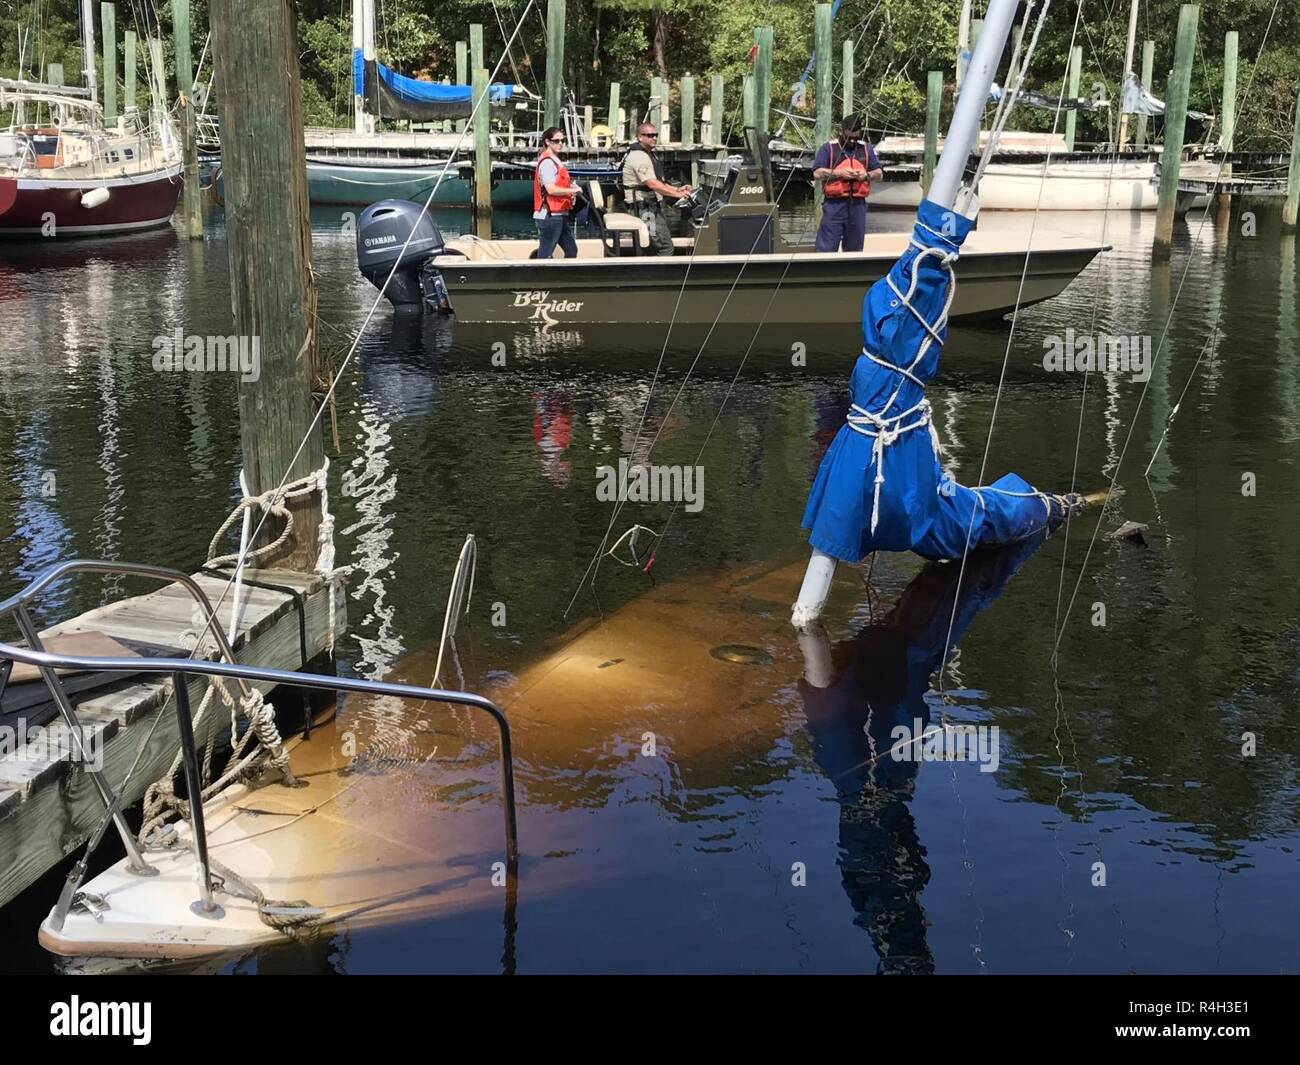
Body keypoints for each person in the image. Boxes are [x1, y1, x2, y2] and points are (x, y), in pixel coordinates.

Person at [812, 114, 883, 253]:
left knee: (855, 249)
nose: (852, 141)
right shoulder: (828, 148)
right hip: (834, 205)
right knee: (826, 248)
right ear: (841, 131)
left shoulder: (866, 149)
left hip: (858, 206)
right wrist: (840, 173)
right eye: (849, 137)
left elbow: (879, 173)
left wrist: (866, 175)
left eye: (856, 138)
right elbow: (817, 173)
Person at [621, 123, 692, 256]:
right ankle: (659, 276)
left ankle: (650, 272)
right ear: (640, 137)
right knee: (664, 247)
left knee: (654, 245)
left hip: (650, 208)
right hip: (644, 210)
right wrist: (677, 195)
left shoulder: (648, 154)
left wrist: (678, 190)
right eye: (649, 135)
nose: (654, 138)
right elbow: (652, 184)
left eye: (655, 135)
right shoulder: (639, 156)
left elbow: (660, 183)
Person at [533, 126, 580, 259]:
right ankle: (538, 277)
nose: (560, 144)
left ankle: (565, 278)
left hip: (560, 214)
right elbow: (551, 189)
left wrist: (570, 188)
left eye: (562, 141)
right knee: (545, 254)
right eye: (556, 141)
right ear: (547, 142)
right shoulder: (547, 163)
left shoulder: (555, 160)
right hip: (551, 215)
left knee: (571, 250)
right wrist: (573, 190)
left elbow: (559, 182)